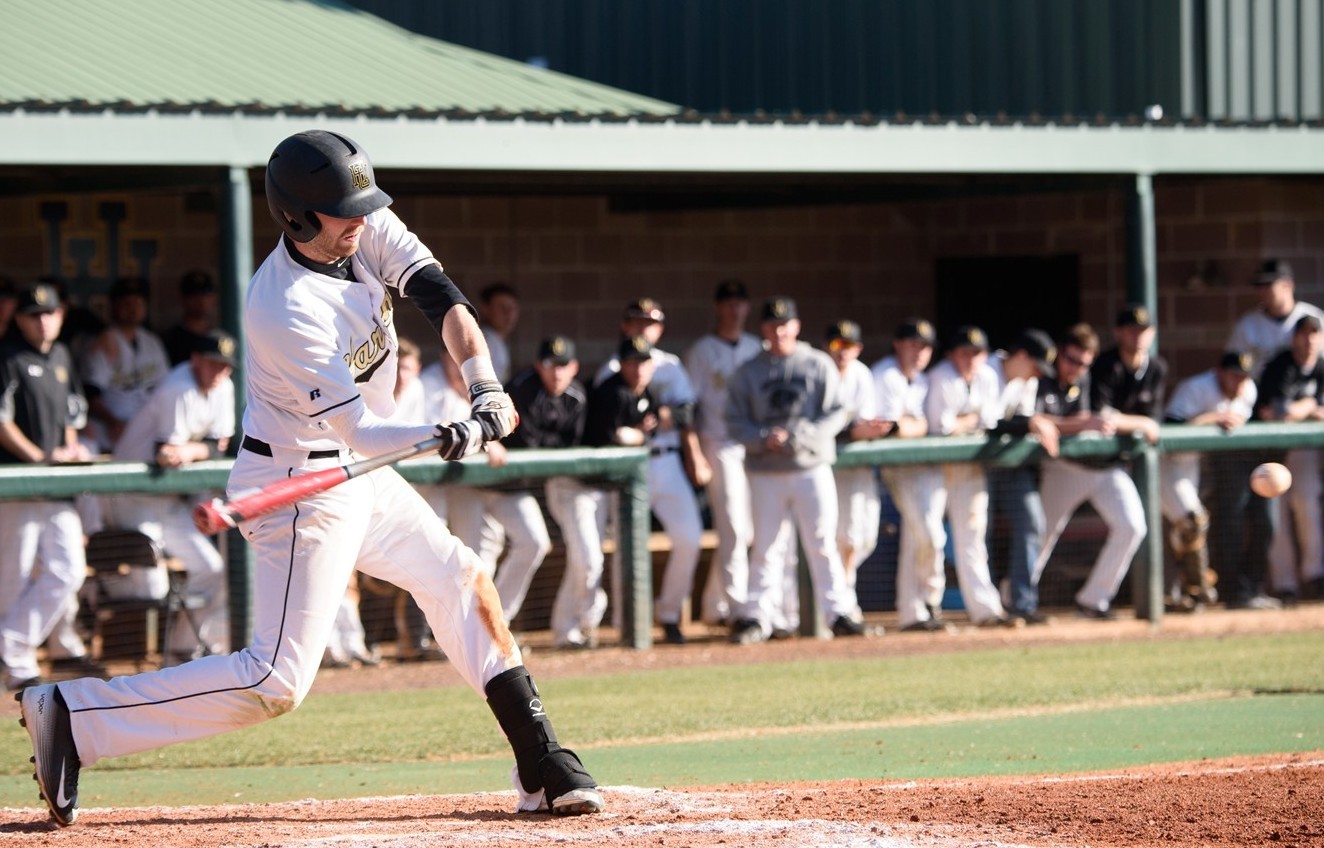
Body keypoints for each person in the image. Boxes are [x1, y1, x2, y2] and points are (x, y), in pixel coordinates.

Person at [18, 129, 603, 828]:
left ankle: (541, 760)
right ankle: (72, 713)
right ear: (296, 215)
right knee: (276, 679)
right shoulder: (281, 306)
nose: (359, 218)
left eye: (362, 204)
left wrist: (482, 386)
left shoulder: (364, 226)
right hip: (303, 483)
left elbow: (442, 299)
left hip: (363, 471)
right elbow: (360, 432)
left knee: (458, 575)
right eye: (340, 209)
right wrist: (446, 432)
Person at [725, 297, 864, 644]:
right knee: (766, 546)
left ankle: (839, 613)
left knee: (822, 541)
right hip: (765, 470)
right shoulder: (748, 370)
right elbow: (733, 421)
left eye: (784, 325)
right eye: (772, 326)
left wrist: (803, 435)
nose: (778, 331)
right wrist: (761, 437)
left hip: (810, 466)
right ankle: (757, 617)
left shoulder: (817, 363)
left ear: (796, 327)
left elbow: (836, 413)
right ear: (763, 329)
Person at [104, 330, 238, 660]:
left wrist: (194, 450)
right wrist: (199, 449)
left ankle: (181, 650)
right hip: (131, 496)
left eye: (224, 366)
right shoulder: (178, 387)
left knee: (212, 569)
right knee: (153, 588)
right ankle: (96, 589)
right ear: (195, 360)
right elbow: (166, 453)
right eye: (210, 364)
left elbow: (218, 446)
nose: (217, 372)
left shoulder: (225, 387)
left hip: (167, 500)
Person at [0, 282, 97, 692]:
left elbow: (74, 414)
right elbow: (1, 420)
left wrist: (71, 449)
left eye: (51, 313)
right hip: (18, 484)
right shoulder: (7, 356)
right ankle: (15, 662)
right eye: (35, 314)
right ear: (19, 319)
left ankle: (12, 645)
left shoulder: (61, 355)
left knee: (69, 570)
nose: (44, 321)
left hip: (57, 486)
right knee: (13, 575)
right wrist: (38, 458)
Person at [594, 299, 706, 645]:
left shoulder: (670, 365)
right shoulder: (610, 369)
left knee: (690, 537)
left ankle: (669, 613)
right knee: (629, 546)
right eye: (636, 321)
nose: (644, 327)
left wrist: (694, 454)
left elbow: (690, 412)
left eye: (650, 322)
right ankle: (625, 621)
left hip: (667, 460)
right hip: (629, 467)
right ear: (625, 326)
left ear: (660, 328)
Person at [1032, 314, 1155, 621]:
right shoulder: (1042, 379)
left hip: (1105, 468)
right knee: (1044, 535)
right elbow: (1040, 419)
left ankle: (1093, 600)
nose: (1077, 368)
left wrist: (1137, 422)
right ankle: (1016, 598)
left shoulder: (1092, 375)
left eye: (1083, 363)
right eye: (1071, 360)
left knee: (1132, 527)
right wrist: (1081, 423)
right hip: (1065, 468)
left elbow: (1108, 417)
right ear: (1060, 353)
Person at [503, 336, 601, 632]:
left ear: (574, 367)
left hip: (553, 482)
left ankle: (578, 623)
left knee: (572, 551)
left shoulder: (577, 395)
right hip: (502, 482)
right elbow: (528, 444)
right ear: (537, 366)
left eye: (562, 365)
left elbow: (571, 443)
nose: (556, 372)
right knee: (484, 551)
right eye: (549, 365)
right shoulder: (522, 389)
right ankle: (488, 627)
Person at [684, 279, 765, 627]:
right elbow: (688, 408)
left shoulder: (757, 347)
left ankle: (714, 602)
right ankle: (737, 607)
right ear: (718, 307)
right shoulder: (702, 350)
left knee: (748, 531)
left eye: (740, 302)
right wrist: (696, 454)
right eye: (728, 302)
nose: (734, 308)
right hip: (718, 442)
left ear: (747, 307)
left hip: (754, 444)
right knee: (732, 524)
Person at [923, 325, 1013, 627]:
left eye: (976, 353)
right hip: (933, 465)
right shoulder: (941, 377)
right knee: (927, 537)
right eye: (964, 353)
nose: (970, 359)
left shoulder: (987, 376)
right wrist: (974, 420)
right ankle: (922, 610)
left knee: (973, 536)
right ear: (952, 354)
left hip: (970, 466)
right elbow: (942, 427)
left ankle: (985, 610)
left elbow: (992, 419)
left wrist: (967, 421)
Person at [581, 335, 661, 647]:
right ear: (622, 364)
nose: (638, 368)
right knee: (590, 557)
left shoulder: (647, 393)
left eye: (643, 362)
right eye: (631, 362)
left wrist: (639, 434)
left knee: (620, 553)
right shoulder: (610, 392)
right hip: (590, 484)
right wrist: (638, 436)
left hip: (616, 485)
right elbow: (614, 435)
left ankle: (619, 623)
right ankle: (584, 627)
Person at [1160, 351, 1256, 612]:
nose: (1239, 383)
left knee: (1183, 528)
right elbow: (1169, 431)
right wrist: (1211, 419)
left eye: (1244, 378)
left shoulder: (1249, 392)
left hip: (1193, 464)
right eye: (1234, 376)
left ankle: (1180, 593)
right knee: (1193, 520)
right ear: (1219, 373)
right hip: (1165, 464)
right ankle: (1199, 586)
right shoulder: (1195, 388)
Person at [872, 318, 946, 632]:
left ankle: (914, 612)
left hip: (926, 465)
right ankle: (929, 598)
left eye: (925, 346)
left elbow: (927, 424)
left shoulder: (924, 380)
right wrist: (916, 426)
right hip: (894, 467)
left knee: (921, 538)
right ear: (898, 344)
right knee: (929, 534)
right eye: (913, 344)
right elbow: (894, 429)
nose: (919, 352)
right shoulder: (885, 374)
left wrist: (913, 426)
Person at [987, 329, 1061, 625]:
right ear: (1020, 356)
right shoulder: (987, 370)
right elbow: (989, 423)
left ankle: (1023, 604)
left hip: (1008, 463)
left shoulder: (1025, 383)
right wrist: (1031, 422)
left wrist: (1032, 421)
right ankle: (987, 609)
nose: (1036, 375)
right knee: (979, 534)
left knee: (1033, 522)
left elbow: (1022, 419)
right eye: (1034, 366)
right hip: (972, 465)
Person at [1252, 314, 1324, 605]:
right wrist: (1310, 405)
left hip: (1303, 447)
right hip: (1271, 450)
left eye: (1315, 334)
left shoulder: (1320, 366)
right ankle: (1285, 584)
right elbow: (1279, 413)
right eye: (1304, 334)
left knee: (1307, 502)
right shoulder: (1281, 366)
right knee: (1276, 514)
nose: (1309, 340)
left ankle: (1314, 575)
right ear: (1294, 338)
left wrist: (1301, 410)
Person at [824, 320, 889, 595]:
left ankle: (843, 593)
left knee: (865, 537)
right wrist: (854, 430)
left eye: (848, 345)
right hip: (826, 465)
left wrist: (870, 429)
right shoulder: (819, 371)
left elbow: (865, 422)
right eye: (837, 344)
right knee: (840, 536)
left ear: (858, 348)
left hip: (856, 464)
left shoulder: (861, 374)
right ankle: (840, 600)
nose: (842, 351)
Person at [79, 276, 171, 454]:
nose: (133, 309)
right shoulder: (102, 342)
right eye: (127, 303)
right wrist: (112, 422)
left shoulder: (152, 342)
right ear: (114, 306)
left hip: (147, 428)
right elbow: (90, 394)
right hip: (109, 428)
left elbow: (165, 387)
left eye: (139, 302)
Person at [160, 270, 220, 366]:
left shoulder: (219, 337)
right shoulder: (171, 340)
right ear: (183, 299)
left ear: (214, 298)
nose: (201, 301)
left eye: (206, 295)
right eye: (194, 295)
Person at [479, 282, 521, 384]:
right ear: (486, 309)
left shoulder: (497, 341)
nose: (509, 314)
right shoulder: (483, 341)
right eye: (503, 307)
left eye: (513, 308)